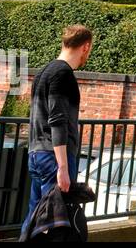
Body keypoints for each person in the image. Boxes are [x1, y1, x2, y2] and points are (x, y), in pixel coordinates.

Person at [23, 24, 93, 235]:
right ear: (85, 47)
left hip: (36, 153)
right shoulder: (63, 74)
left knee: (36, 217)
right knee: (55, 224)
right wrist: (62, 167)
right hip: (54, 157)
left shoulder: (44, 72)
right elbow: (57, 120)